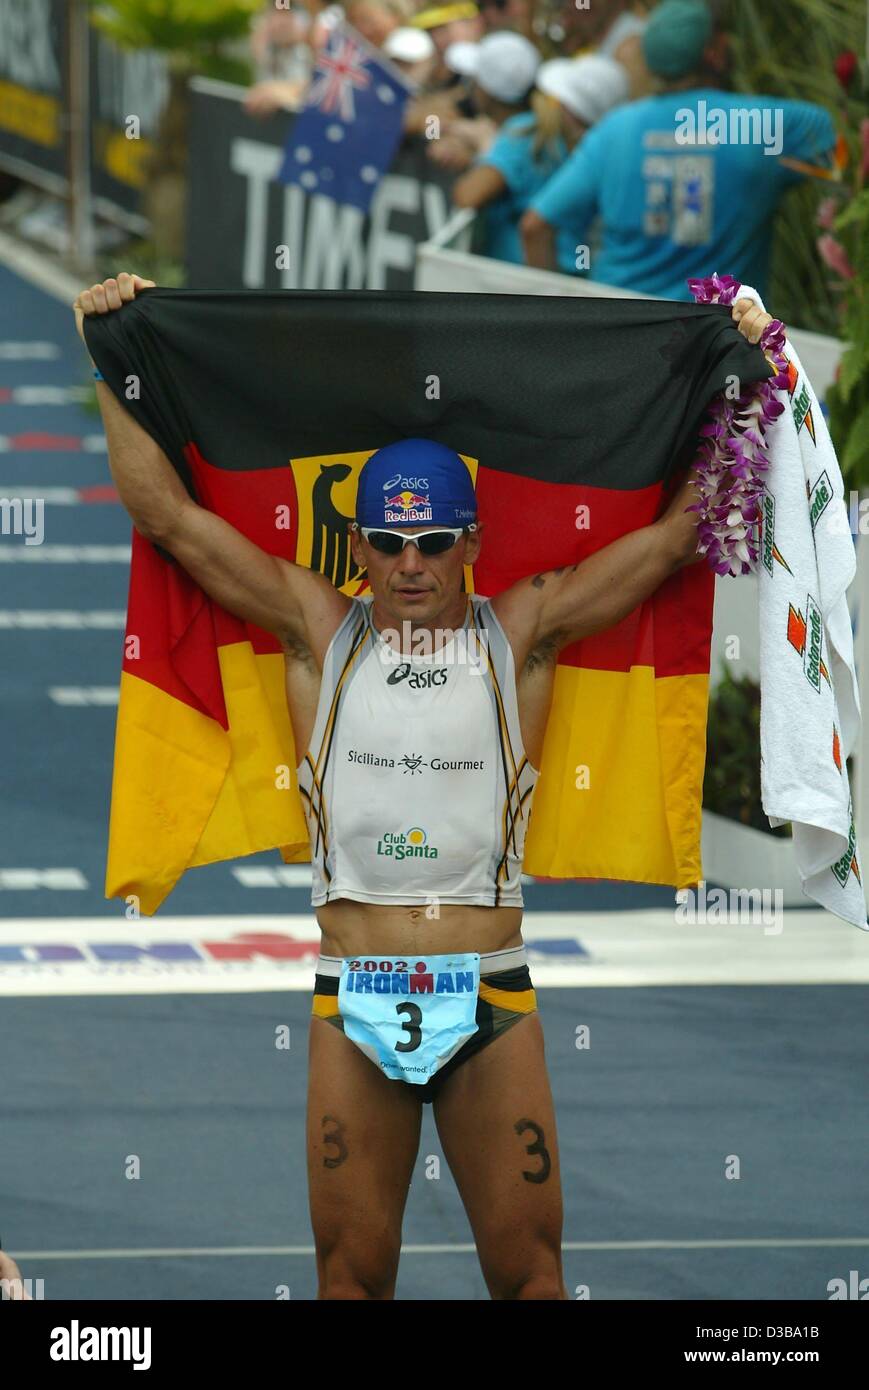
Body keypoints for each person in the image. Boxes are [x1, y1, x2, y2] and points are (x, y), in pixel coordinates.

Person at [72, 272, 773, 1300]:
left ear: (472, 545)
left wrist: (741, 384)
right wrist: (108, 350)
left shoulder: (522, 631)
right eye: (389, 543)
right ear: (356, 546)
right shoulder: (315, 630)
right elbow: (166, 518)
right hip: (353, 991)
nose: (410, 566)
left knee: (531, 1278)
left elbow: (676, 537)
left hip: (488, 992)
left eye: (433, 542)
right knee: (350, 1281)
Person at [520, 0, 837, 302]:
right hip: (716, 342)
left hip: (620, 333)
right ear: (712, 51)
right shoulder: (762, 126)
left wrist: (558, 316)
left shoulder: (615, 130)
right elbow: (840, 150)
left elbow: (535, 226)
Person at [451, 53, 629, 274]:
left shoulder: (528, 133)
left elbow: (468, 195)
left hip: (514, 284)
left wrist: (485, 150)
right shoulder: (608, 150)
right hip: (580, 281)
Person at [428, 30, 542, 174]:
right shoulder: (525, 124)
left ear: (486, 90)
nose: (470, 85)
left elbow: (466, 195)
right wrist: (440, 137)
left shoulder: (517, 136)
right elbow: (431, 117)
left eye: (475, 79)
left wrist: (481, 146)